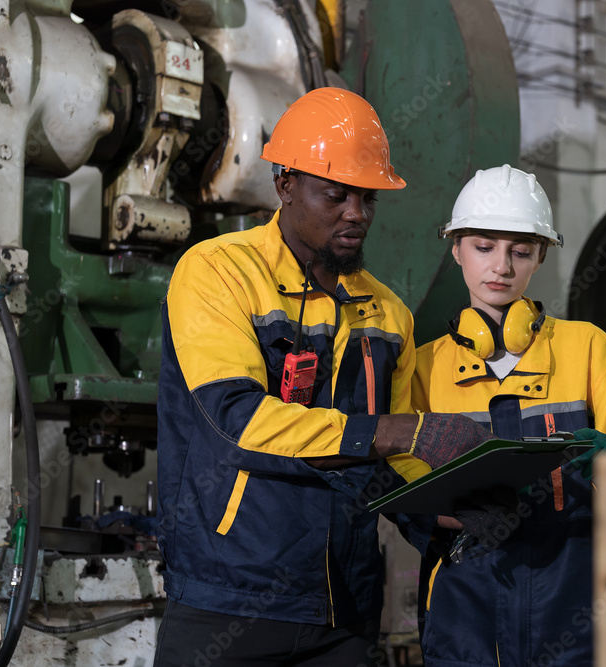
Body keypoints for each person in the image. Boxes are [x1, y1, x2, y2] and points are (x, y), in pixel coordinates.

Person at [154, 87, 491, 667]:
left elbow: (385, 466)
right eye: (337, 195)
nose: (356, 213)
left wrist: (449, 522)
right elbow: (238, 421)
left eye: (367, 198)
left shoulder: (388, 315)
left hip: (346, 610)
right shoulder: (218, 273)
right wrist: (398, 431)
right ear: (285, 185)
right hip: (230, 599)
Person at [411, 164, 606, 666]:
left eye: (521, 251)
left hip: (576, 618)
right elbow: (394, 493)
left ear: (541, 257)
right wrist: (454, 514)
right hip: (465, 618)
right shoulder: (423, 368)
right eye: (484, 247)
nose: (501, 266)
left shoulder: (592, 350)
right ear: (456, 247)